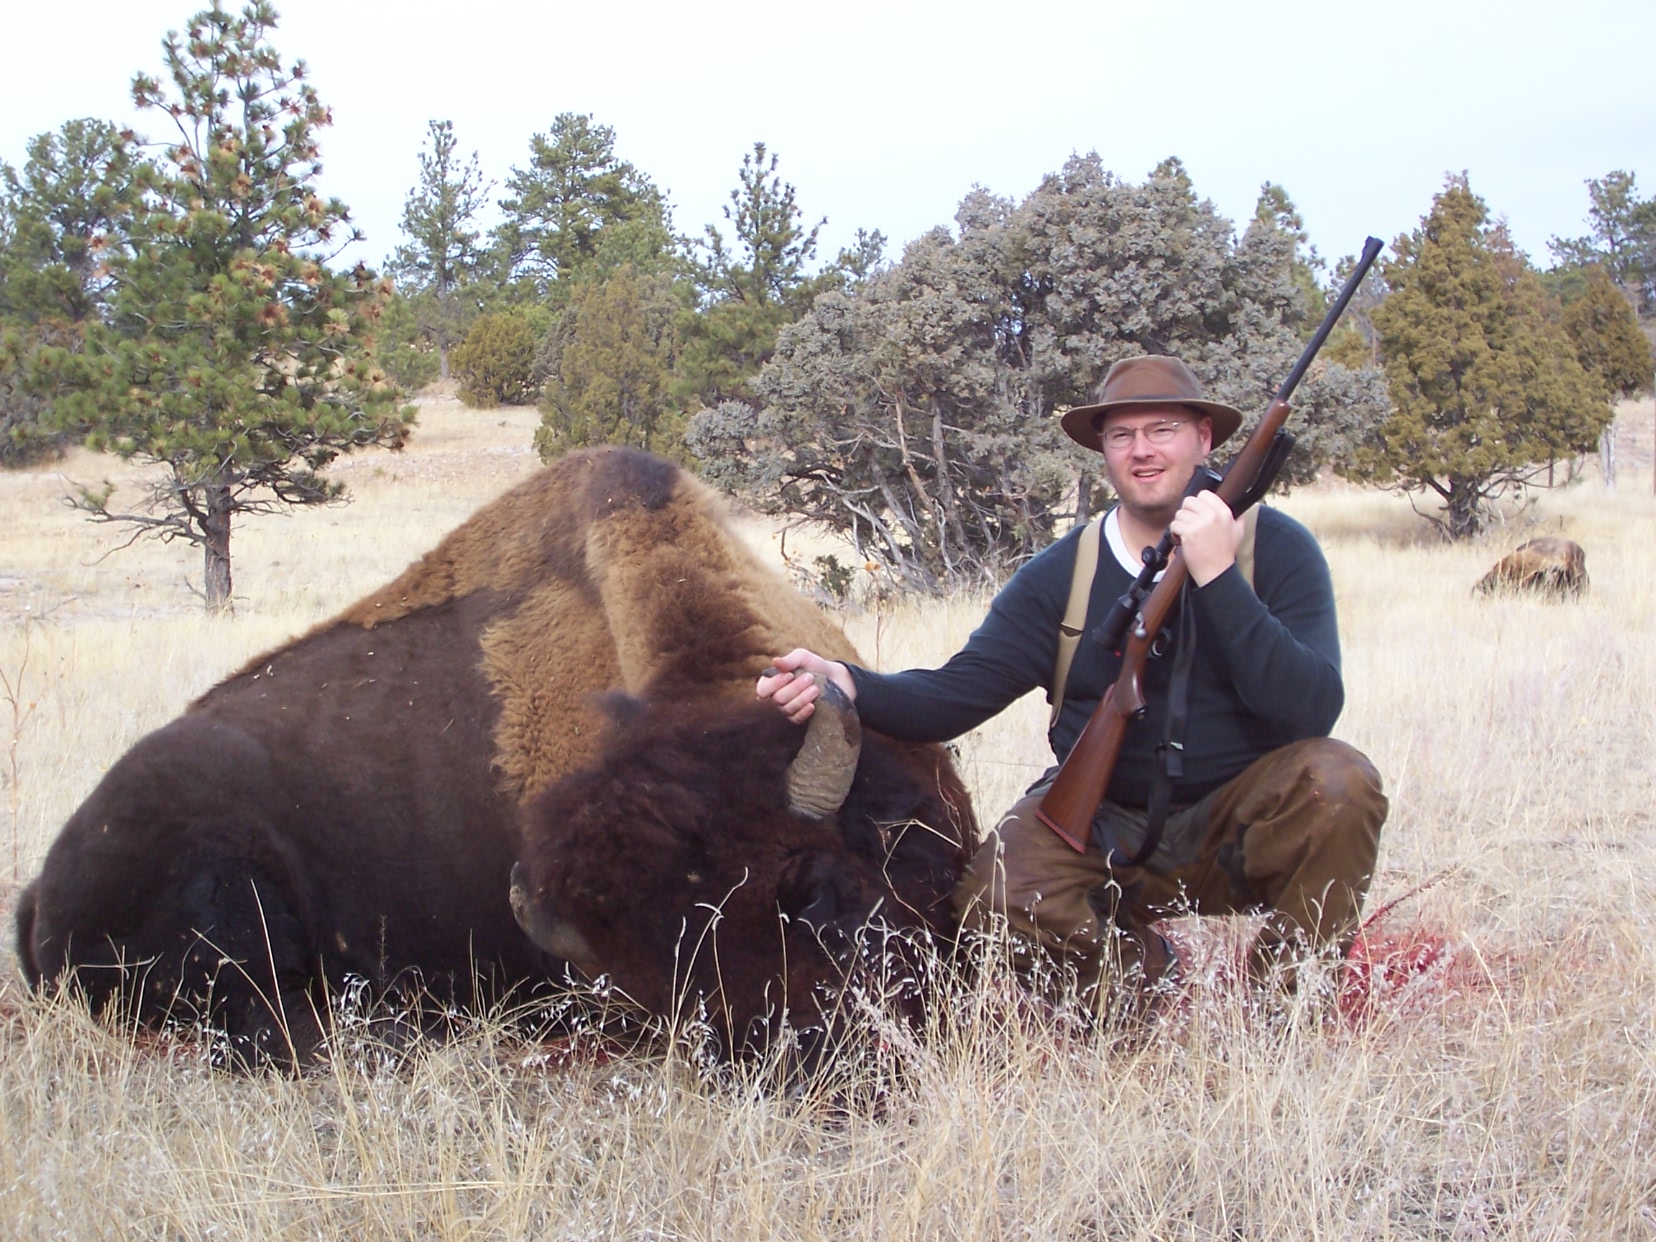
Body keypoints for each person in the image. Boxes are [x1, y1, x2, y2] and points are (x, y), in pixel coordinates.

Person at [757, 354, 1387, 1004]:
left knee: (1341, 783)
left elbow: (1310, 711)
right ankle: (1141, 978)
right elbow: (955, 695)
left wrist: (1219, 576)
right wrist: (849, 682)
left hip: (1243, 831)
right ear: (1104, 452)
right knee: (992, 896)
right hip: (1109, 828)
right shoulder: (1064, 573)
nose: (1141, 451)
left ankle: (1288, 1005)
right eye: (1122, 435)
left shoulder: (1274, 549)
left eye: (1162, 430)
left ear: (1204, 439)